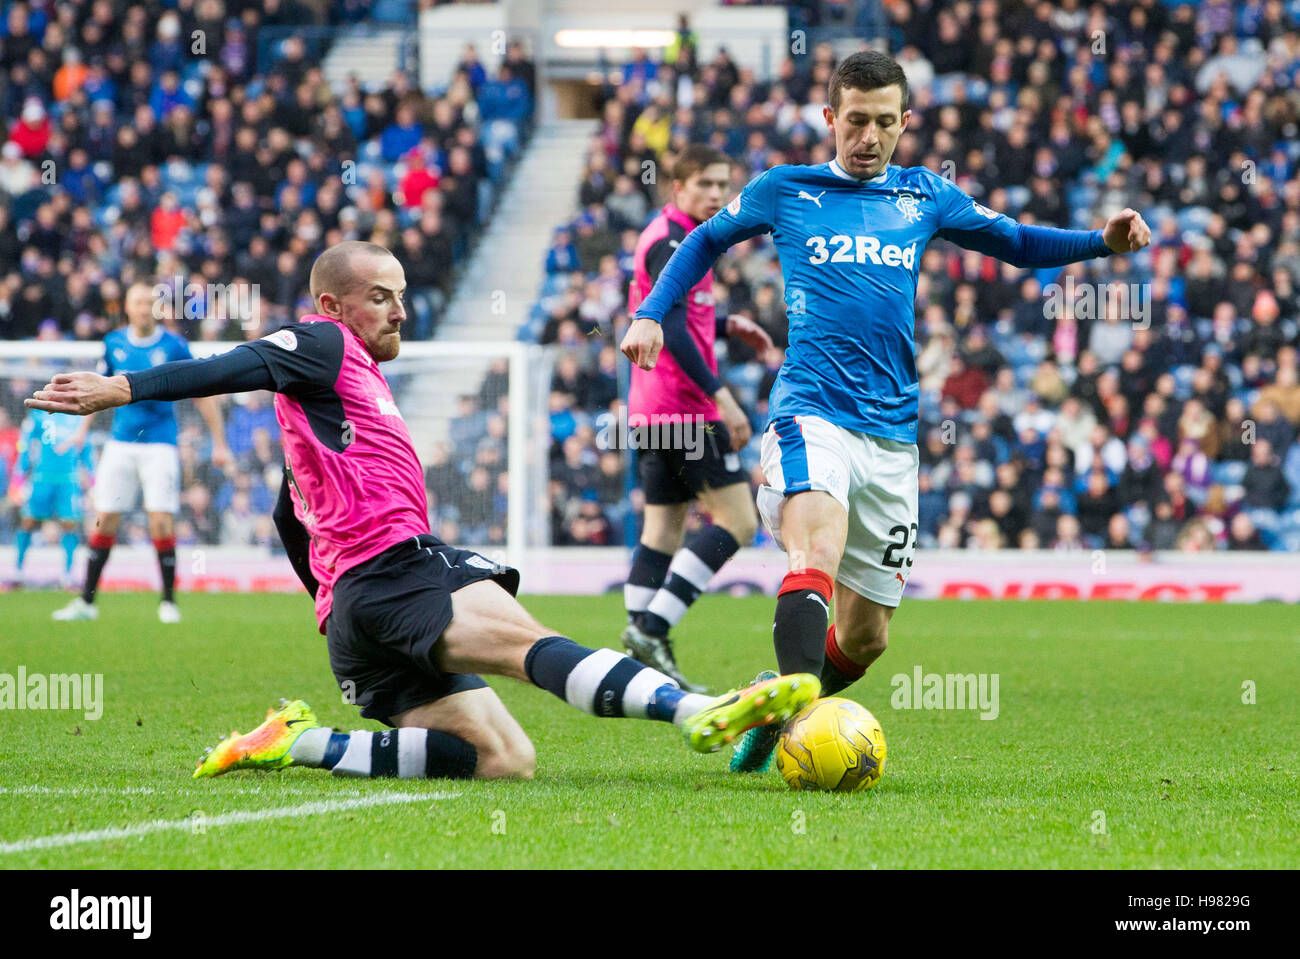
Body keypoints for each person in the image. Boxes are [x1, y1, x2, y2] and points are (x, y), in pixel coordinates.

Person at [27, 241, 818, 781]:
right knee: (528, 641)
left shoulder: (344, 389)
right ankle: (697, 709)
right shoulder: (322, 343)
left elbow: (285, 516)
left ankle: (299, 743)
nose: (399, 310)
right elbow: (233, 364)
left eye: (401, 295)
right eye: (381, 297)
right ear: (333, 303)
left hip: (357, 611)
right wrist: (123, 388)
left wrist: (335, 607)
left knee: (507, 758)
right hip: (394, 569)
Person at [621, 51, 1151, 773]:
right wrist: (653, 311)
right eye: (854, 121)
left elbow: (1018, 243)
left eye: (882, 123)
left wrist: (1099, 243)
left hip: (894, 435)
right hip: (811, 412)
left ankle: (775, 702)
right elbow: (704, 239)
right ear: (829, 119)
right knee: (816, 550)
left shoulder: (925, 196)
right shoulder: (786, 189)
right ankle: (801, 723)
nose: (866, 138)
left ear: (905, 123)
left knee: (866, 638)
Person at [621, 144, 773, 692]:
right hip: (684, 408)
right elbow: (674, 328)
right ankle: (653, 628)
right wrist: (723, 396)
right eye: (704, 184)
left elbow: (684, 315)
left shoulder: (676, 236)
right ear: (676, 188)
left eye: (722, 184)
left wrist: (730, 326)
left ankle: (636, 659)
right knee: (738, 522)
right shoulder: (672, 240)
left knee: (662, 528)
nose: (716, 195)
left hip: (652, 409)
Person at [52, 281, 232, 623]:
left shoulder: (175, 345)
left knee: (161, 521)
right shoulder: (113, 343)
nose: (142, 307)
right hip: (121, 442)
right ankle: (87, 603)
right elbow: (97, 390)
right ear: (127, 306)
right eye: (136, 301)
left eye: (148, 302)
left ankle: (168, 601)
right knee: (105, 518)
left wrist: (219, 441)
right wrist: (81, 430)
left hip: (161, 443)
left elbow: (203, 391)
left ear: (157, 307)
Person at [11, 409, 92, 585]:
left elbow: (85, 446)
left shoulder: (79, 415)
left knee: (69, 523)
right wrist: (18, 478)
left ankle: (68, 573)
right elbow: (25, 444)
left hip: (68, 479)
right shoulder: (38, 415)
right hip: (41, 477)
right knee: (29, 521)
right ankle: (18, 570)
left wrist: (93, 480)